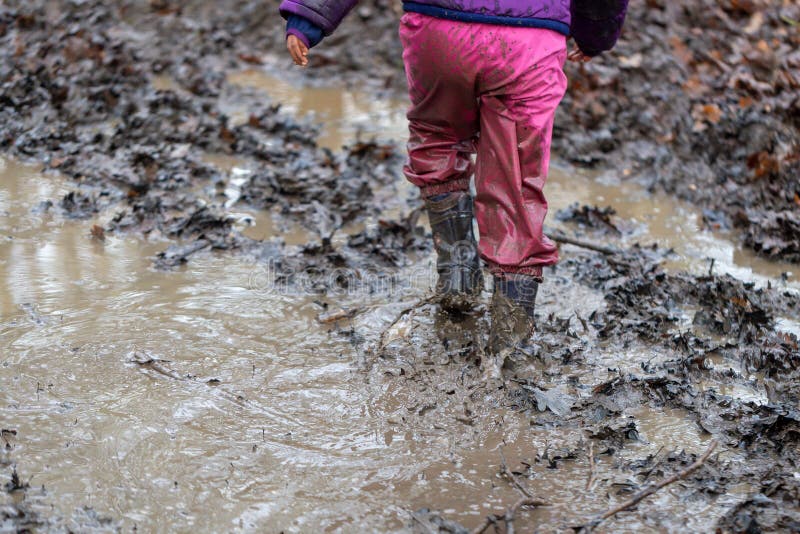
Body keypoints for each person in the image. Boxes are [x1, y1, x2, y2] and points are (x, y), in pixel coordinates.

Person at [280, 0, 628, 355]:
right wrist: (595, 33)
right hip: (528, 44)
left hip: (440, 30)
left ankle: (458, 273)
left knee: (438, 139)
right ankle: (511, 339)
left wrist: (308, 19)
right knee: (517, 177)